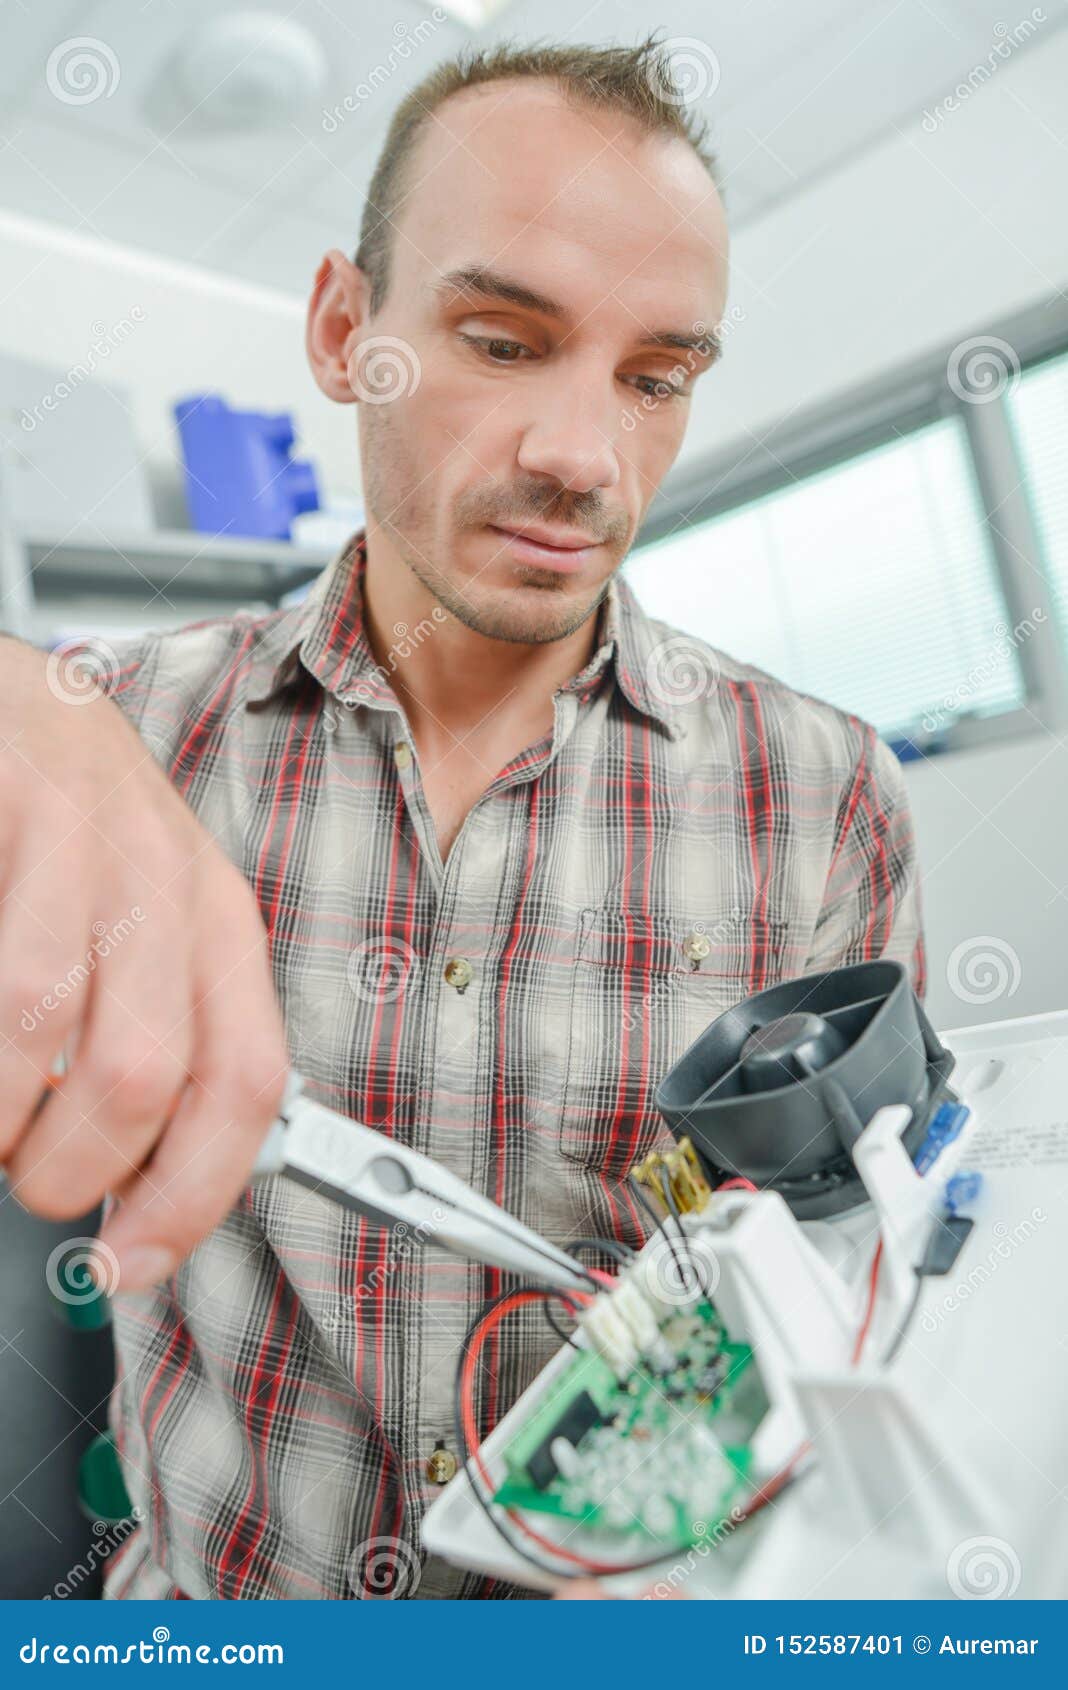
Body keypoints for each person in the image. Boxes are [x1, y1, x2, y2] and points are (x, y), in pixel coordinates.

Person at [0, 35, 923, 1600]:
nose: (583, 457)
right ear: (344, 328)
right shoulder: (120, 736)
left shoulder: (825, 792)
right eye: (502, 341)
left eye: (654, 380)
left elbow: (855, 1274)